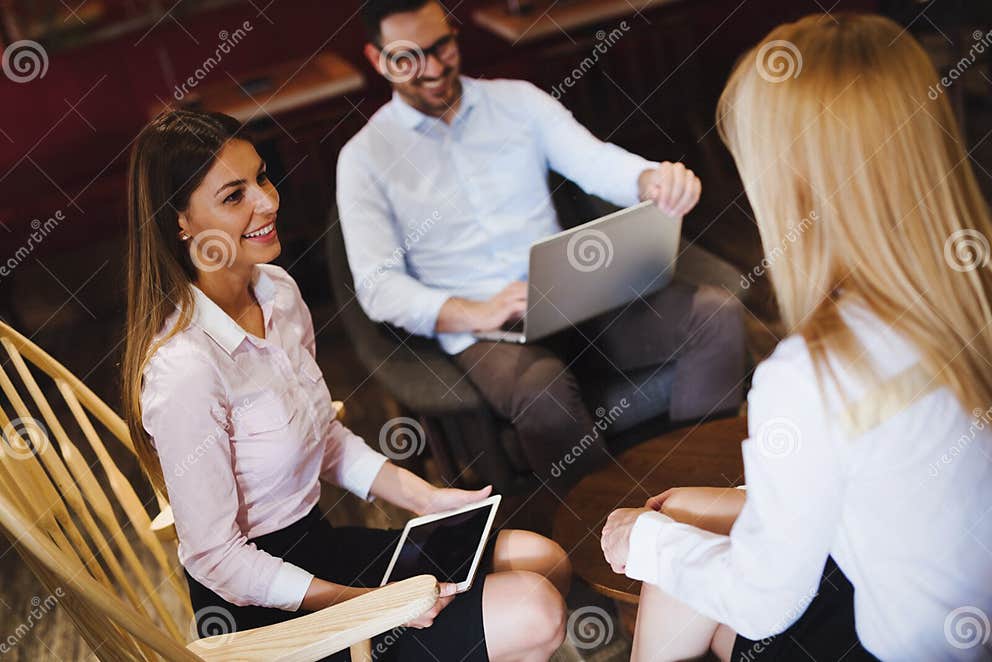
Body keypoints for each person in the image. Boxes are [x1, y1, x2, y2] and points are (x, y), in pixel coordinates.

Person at [601, 12, 992, 661]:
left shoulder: (812, 373)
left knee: (673, 561)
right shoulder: (968, 291)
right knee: (684, 531)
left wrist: (644, 542)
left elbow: (763, 599)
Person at [121, 110, 571, 662]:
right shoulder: (185, 368)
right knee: (534, 610)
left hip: (319, 546)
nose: (267, 202)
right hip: (266, 615)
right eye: (234, 196)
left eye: (261, 177)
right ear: (180, 223)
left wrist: (427, 499)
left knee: (544, 559)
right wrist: (365, 606)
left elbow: (324, 437)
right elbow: (216, 559)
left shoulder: (278, 291)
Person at [337, 0, 748, 485]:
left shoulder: (517, 102)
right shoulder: (363, 159)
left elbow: (594, 161)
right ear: (377, 58)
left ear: (453, 34)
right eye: (409, 57)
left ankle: (708, 485)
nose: (431, 68)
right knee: (541, 392)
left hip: (573, 294)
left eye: (440, 46)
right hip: (486, 327)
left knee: (715, 316)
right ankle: (606, 520)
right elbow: (377, 285)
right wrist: (474, 312)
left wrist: (651, 179)